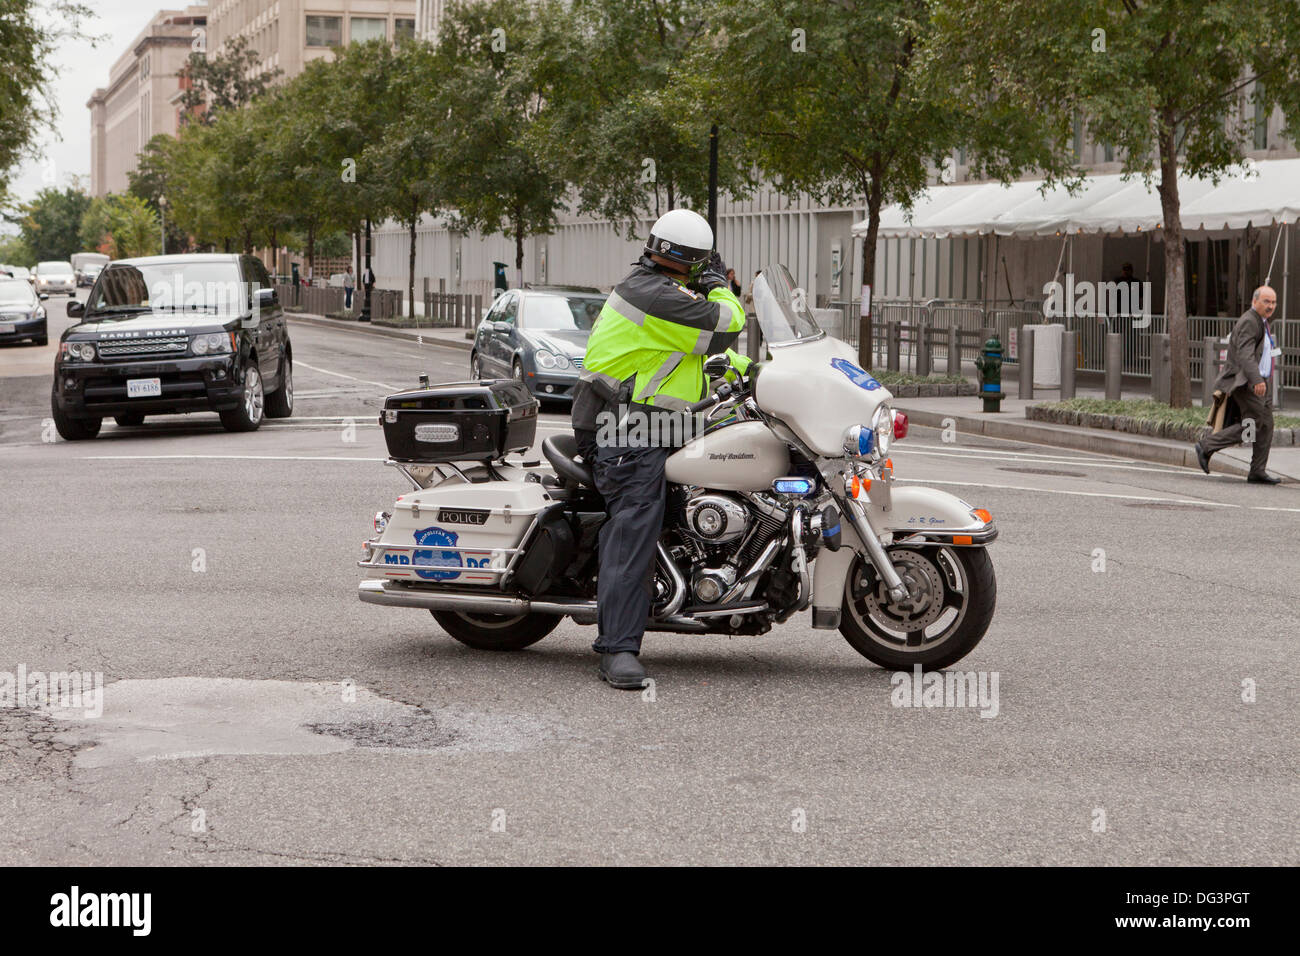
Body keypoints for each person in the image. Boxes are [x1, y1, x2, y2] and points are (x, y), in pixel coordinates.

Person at [571, 208, 746, 689]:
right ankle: (617, 649)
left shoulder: (664, 292)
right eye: (704, 265)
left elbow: (705, 352)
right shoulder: (651, 294)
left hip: (656, 424)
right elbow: (726, 324)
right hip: (623, 429)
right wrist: (720, 286)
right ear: (694, 262)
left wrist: (753, 375)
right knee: (637, 518)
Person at [1195, 285, 1281, 484]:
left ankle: (1257, 471)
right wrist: (1257, 380)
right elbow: (1245, 355)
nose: (1271, 306)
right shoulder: (1250, 322)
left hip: (1260, 382)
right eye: (1266, 301)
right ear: (1254, 301)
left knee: (1266, 425)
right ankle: (1206, 445)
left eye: (1274, 302)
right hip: (1248, 382)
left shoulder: (1261, 321)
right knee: (1252, 424)